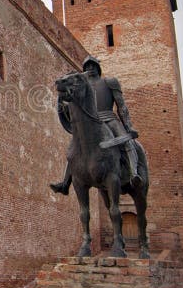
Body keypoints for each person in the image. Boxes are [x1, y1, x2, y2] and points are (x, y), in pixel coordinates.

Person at [50, 55, 142, 195]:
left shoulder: (109, 82)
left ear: (98, 67)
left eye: (93, 65)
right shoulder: (81, 86)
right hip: (91, 122)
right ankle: (65, 182)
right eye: (87, 66)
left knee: (127, 142)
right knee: (74, 150)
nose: (90, 68)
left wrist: (128, 126)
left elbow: (121, 105)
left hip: (109, 119)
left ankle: (134, 173)